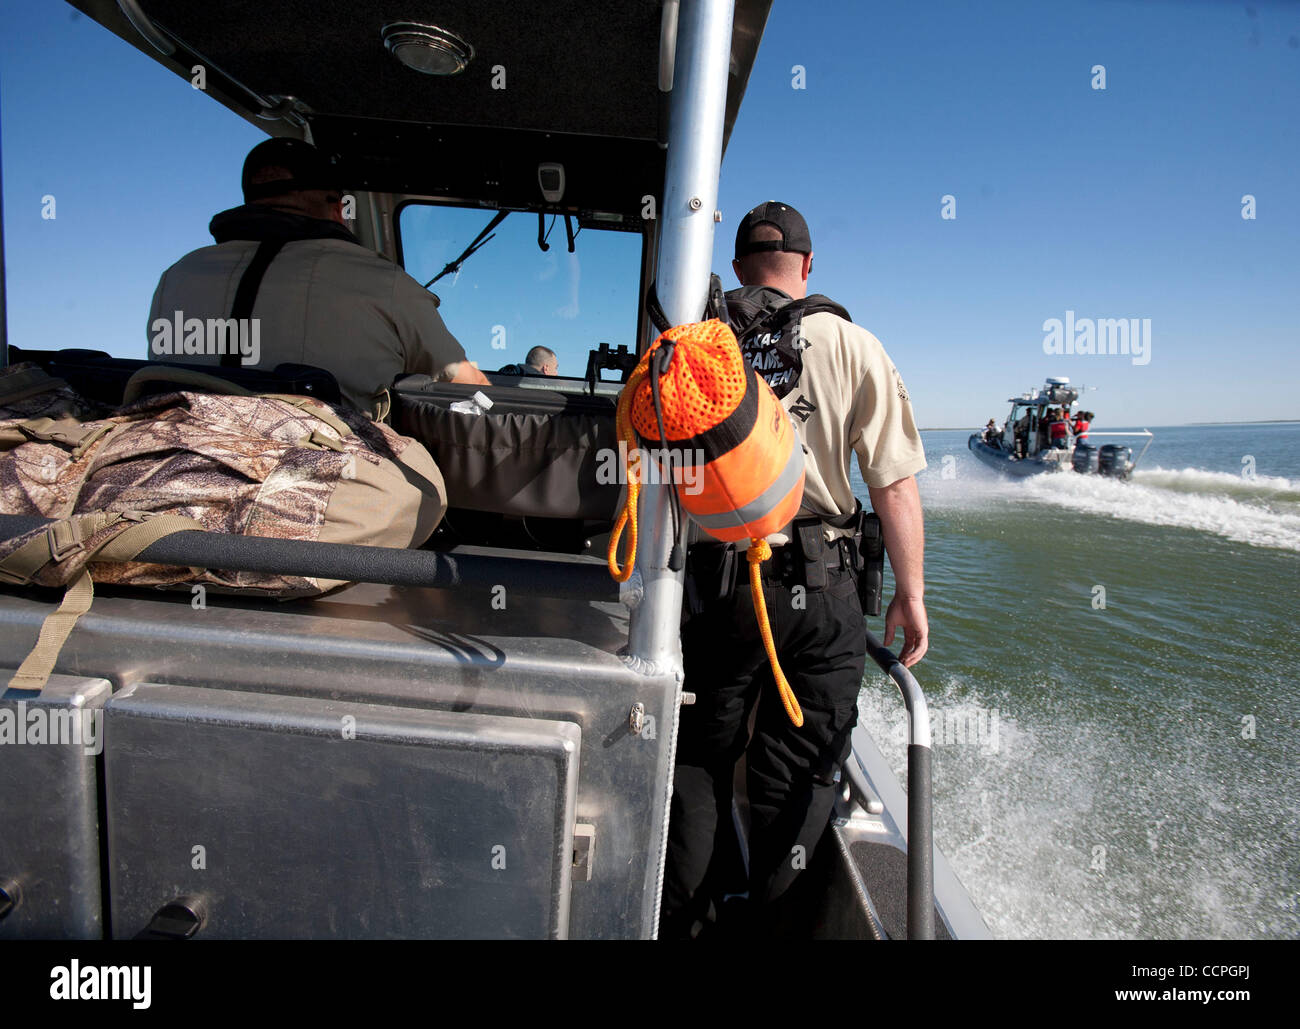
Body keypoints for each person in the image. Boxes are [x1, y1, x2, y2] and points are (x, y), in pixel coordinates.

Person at [661, 202, 928, 938]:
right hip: (824, 584)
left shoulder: (698, 346)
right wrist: (910, 593)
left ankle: (687, 921)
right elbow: (894, 484)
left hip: (719, 585)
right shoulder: (854, 343)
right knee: (796, 771)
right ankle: (775, 924)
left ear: (741, 264)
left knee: (701, 759)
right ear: (807, 267)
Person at [148, 137, 488, 419]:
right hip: (322, 477)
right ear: (339, 210)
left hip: (182, 464)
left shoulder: (177, 275)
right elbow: (468, 388)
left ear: (252, 202)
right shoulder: (383, 280)